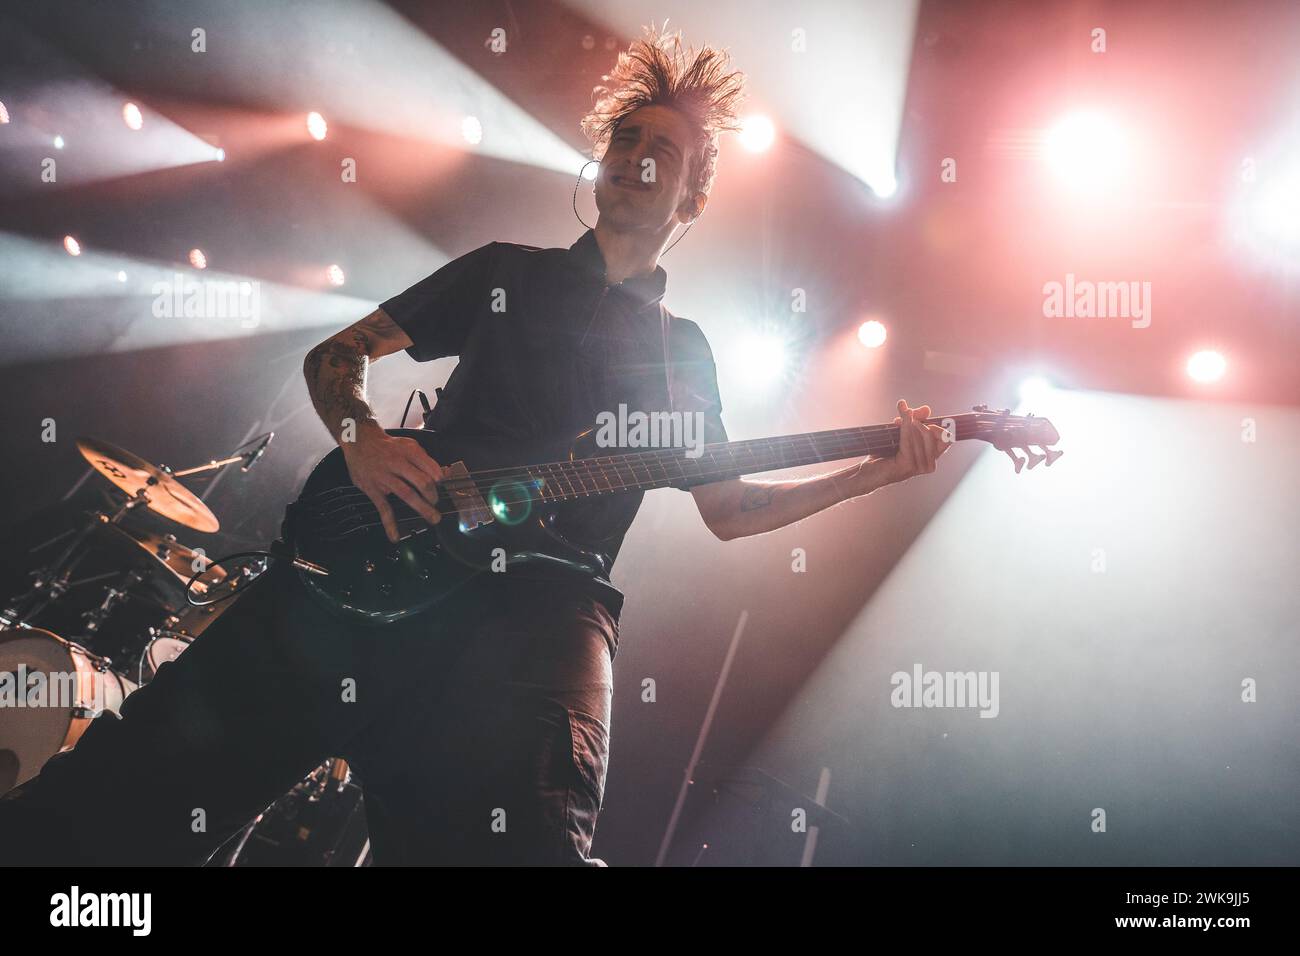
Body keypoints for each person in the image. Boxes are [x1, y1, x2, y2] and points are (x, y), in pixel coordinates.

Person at [0, 25, 949, 866]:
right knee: (111, 807)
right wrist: (362, 439)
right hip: (367, 552)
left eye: (666, 149)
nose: (637, 156)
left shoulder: (683, 352)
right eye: (626, 136)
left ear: (693, 196)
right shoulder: (506, 273)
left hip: (535, 615)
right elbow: (340, 355)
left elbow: (733, 510)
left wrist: (879, 468)